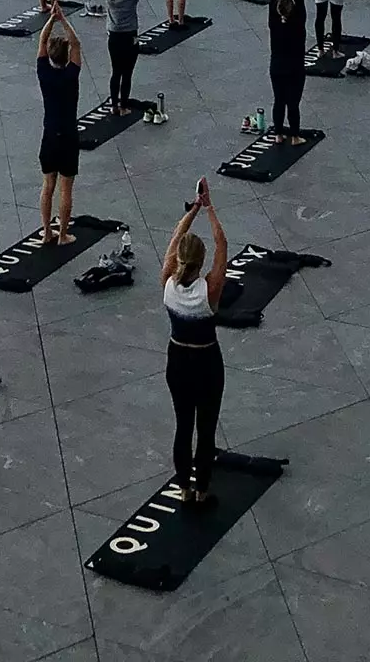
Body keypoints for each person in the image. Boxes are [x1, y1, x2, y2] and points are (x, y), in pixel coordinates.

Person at [161, 177, 229, 506]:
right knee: (206, 428)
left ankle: (184, 489)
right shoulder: (210, 289)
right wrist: (209, 206)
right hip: (206, 362)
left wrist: (192, 211)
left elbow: (175, 241)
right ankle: (202, 490)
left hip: (177, 361)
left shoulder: (167, 282)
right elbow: (222, 244)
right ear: (201, 263)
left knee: (182, 425)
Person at [37, 4, 82, 245]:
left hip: (49, 133)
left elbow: (42, 41)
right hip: (68, 134)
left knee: (48, 185)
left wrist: (51, 20)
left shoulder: (43, 72)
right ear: (66, 57)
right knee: (66, 188)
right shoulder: (71, 75)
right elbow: (76, 44)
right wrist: (63, 19)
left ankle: (46, 231)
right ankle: (63, 234)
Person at [267, 0, 307, 144]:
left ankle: (278, 135)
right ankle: (295, 136)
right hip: (295, 68)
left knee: (278, 100)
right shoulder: (298, 22)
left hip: (276, 67)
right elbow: (301, 3)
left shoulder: (274, 22)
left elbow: (273, 1)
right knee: (293, 103)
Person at [102, 0, 152, 113]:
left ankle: (114, 106)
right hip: (130, 37)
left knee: (116, 72)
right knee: (127, 73)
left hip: (114, 37)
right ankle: (124, 106)